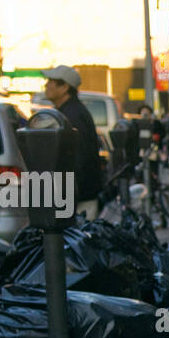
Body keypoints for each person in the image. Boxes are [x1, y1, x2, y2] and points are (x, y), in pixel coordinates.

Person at [40, 65, 103, 221]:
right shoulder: (67, 112)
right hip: (74, 195)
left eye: (51, 82)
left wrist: (68, 194)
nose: (46, 85)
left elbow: (78, 158)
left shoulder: (72, 116)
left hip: (79, 198)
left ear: (64, 87)